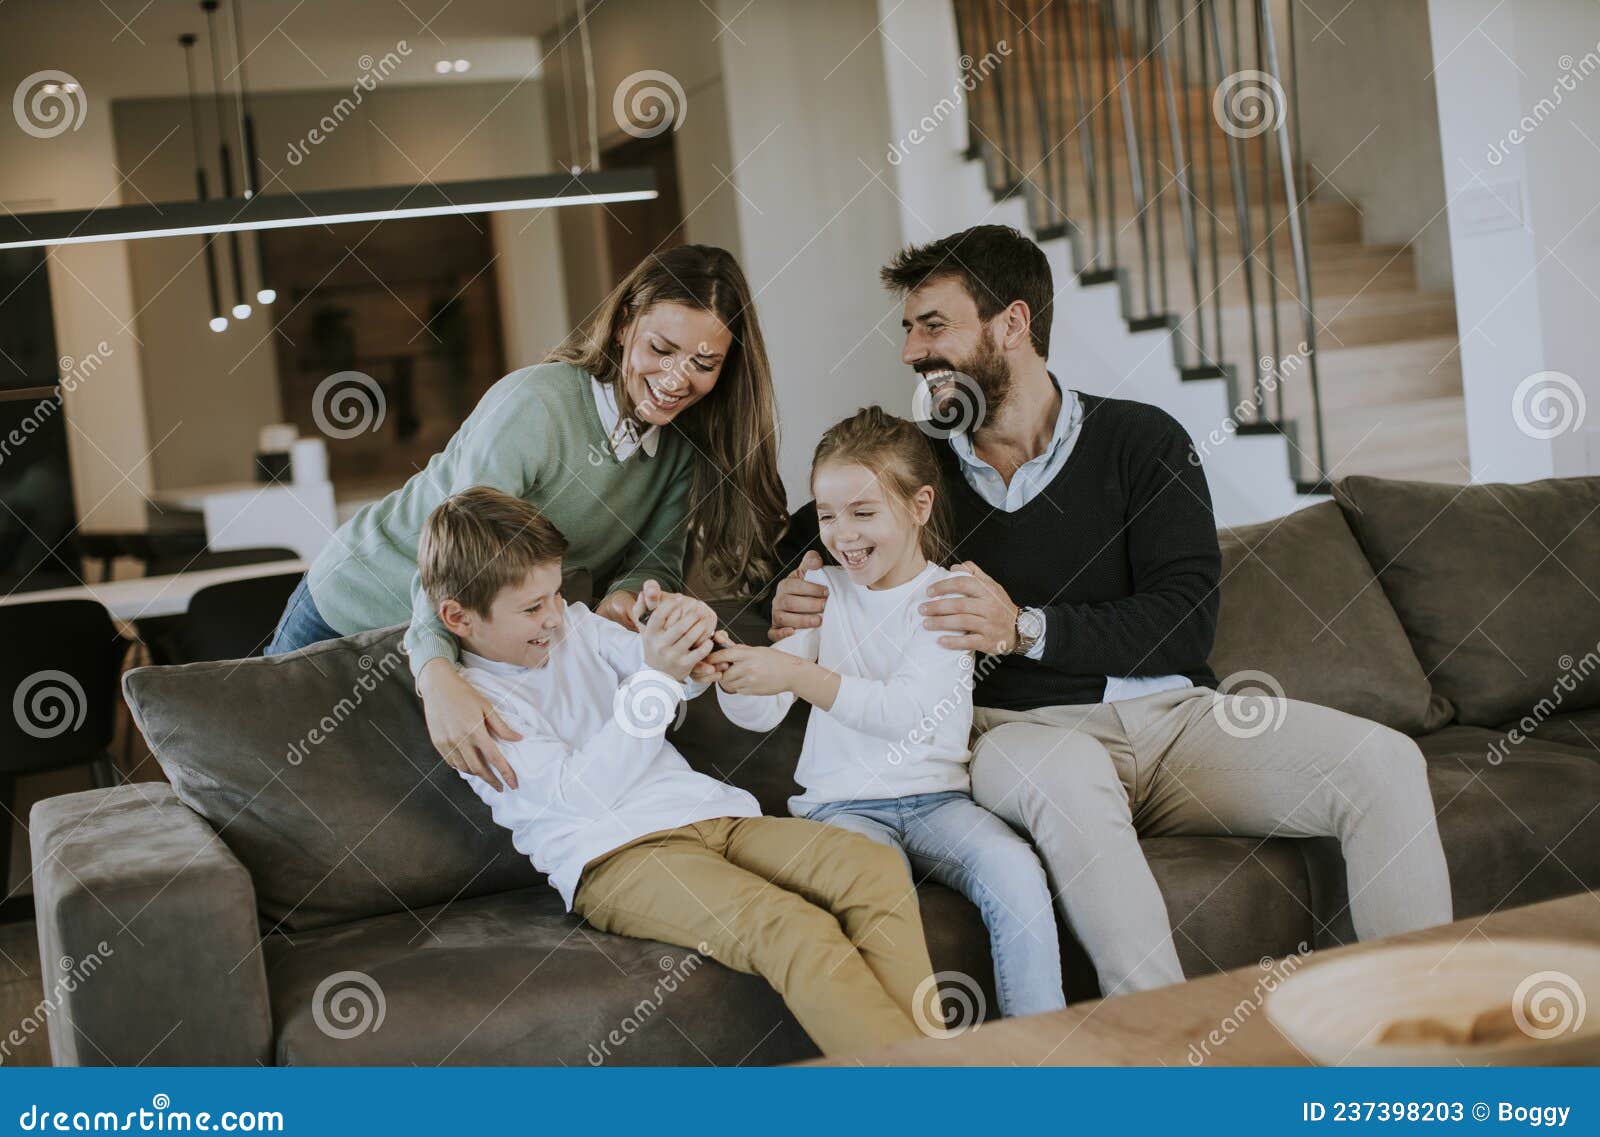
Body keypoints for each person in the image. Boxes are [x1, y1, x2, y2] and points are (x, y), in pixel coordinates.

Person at [770, 225, 1454, 997]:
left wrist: (1024, 627)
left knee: (1386, 763)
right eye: (909, 329)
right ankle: (1170, 1059)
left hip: (1175, 719)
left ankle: (1423, 1041)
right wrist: (791, 588)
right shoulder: (918, 470)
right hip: (1019, 735)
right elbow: (815, 533)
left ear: (1013, 325)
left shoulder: (1142, 440)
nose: (911, 352)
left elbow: (1184, 619)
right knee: (1071, 782)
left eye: (934, 325)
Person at [417, 486, 941, 1057]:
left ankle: (938, 1069)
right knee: (792, 929)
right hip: (616, 856)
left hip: (711, 815)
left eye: (555, 595)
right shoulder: (469, 712)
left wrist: (683, 633)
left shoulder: (578, 627)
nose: (554, 618)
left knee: (872, 866)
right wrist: (660, 678)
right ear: (457, 618)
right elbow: (580, 796)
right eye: (531, 608)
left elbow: (679, 677)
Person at [265, 244, 788, 793]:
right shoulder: (536, 406)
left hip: (463, 638)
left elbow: (655, 555)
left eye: (703, 364)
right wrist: (435, 672)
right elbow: (453, 551)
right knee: (271, 778)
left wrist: (626, 598)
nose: (677, 377)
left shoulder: (681, 449)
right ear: (624, 326)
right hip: (359, 600)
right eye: (661, 348)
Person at [714, 406, 1064, 1018]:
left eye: (863, 513)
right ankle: (905, 1066)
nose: (843, 535)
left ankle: (1039, 1059)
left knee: (1015, 870)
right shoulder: (820, 588)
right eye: (827, 516)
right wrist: (732, 675)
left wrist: (795, 673)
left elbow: (907, 714)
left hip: (938, 802)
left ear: (919, 506)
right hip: (840, 806)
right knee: (877, 884)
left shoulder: (951, 595)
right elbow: (762, 712)